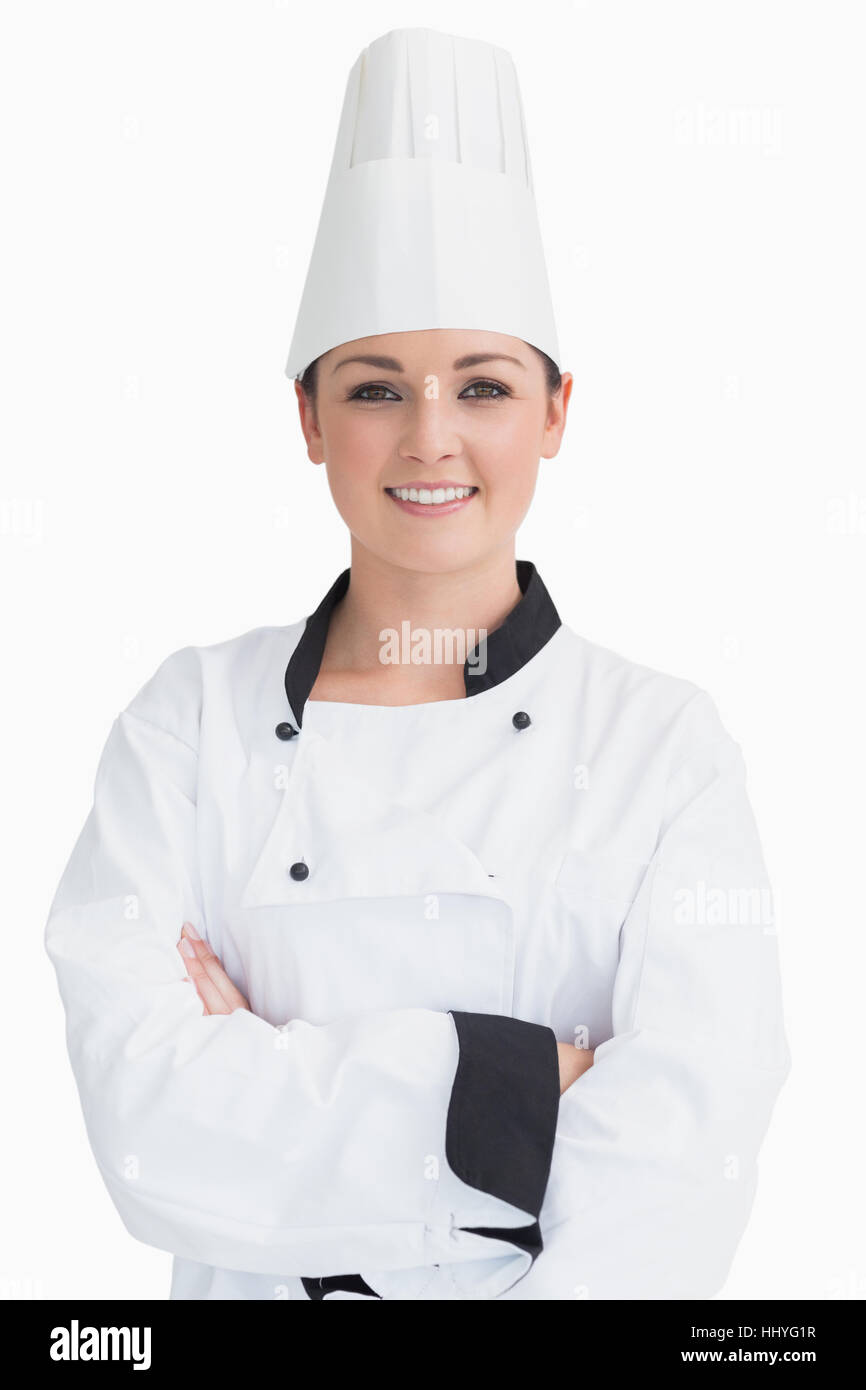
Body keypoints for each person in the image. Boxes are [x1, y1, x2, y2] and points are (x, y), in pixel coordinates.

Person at [45, 26, 791, 1301]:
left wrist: (277, 1083)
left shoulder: (660, 748)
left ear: (556, 413)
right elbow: (145, 1134)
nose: (430, 438)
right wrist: (524, 1085)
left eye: (485, 387)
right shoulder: (187, 727)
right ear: (308, 417)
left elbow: (681, 1175)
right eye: (377, 387)